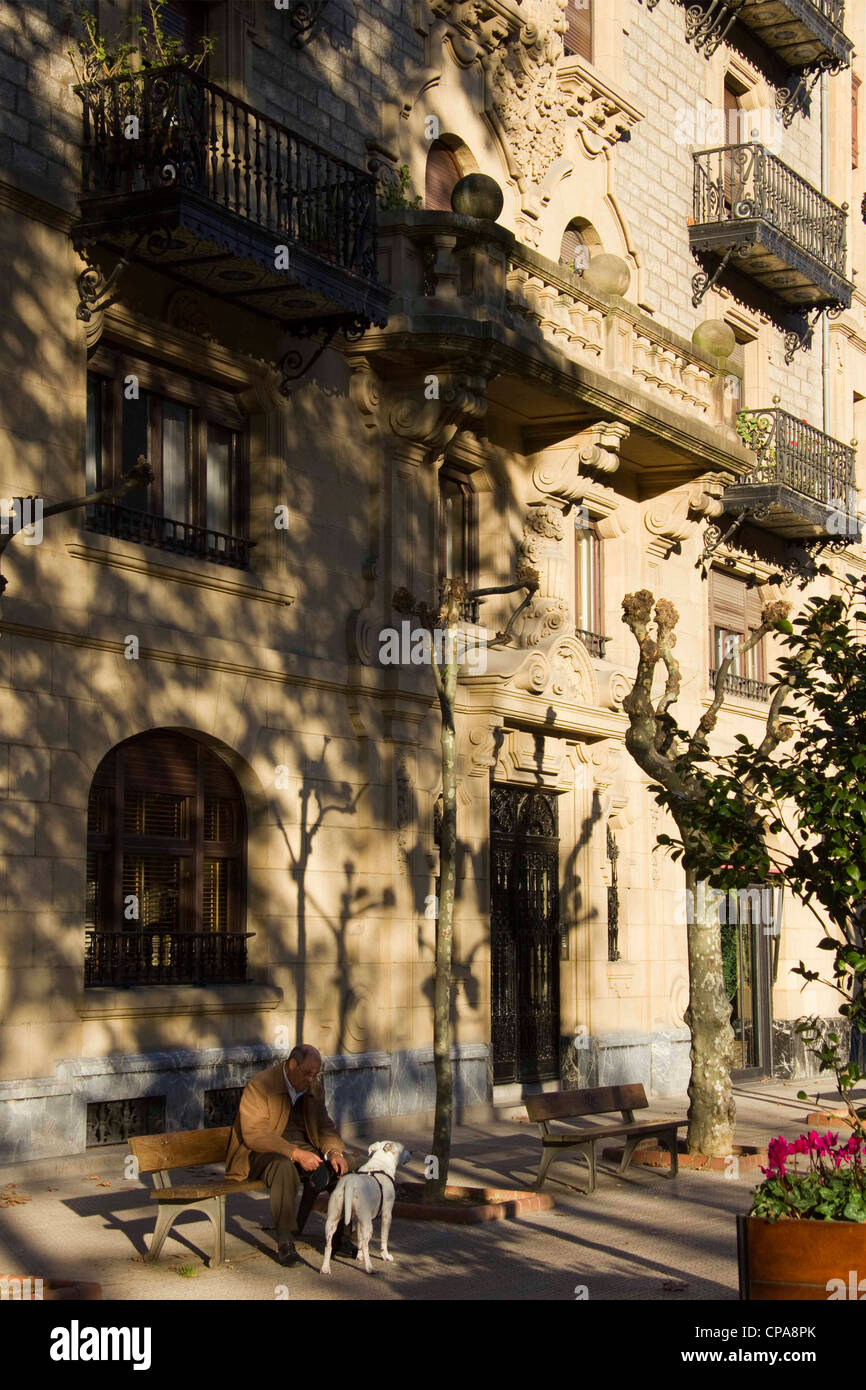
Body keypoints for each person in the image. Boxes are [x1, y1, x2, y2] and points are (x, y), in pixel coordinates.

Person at [225, 1043, 354, 1266]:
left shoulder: (314, 1088)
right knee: (283, 1167)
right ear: (293, 1065)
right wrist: (294, 1153)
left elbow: (324, 1125)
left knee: (344, 1165)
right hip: (260, 1152)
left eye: (316, 1074)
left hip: (302, 1148)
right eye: (307, 1074)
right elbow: (255, 1134)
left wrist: (334, 1152)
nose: (312, 1079)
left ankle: (340, 1237)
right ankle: (285, 1241)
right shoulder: (260, 1085)